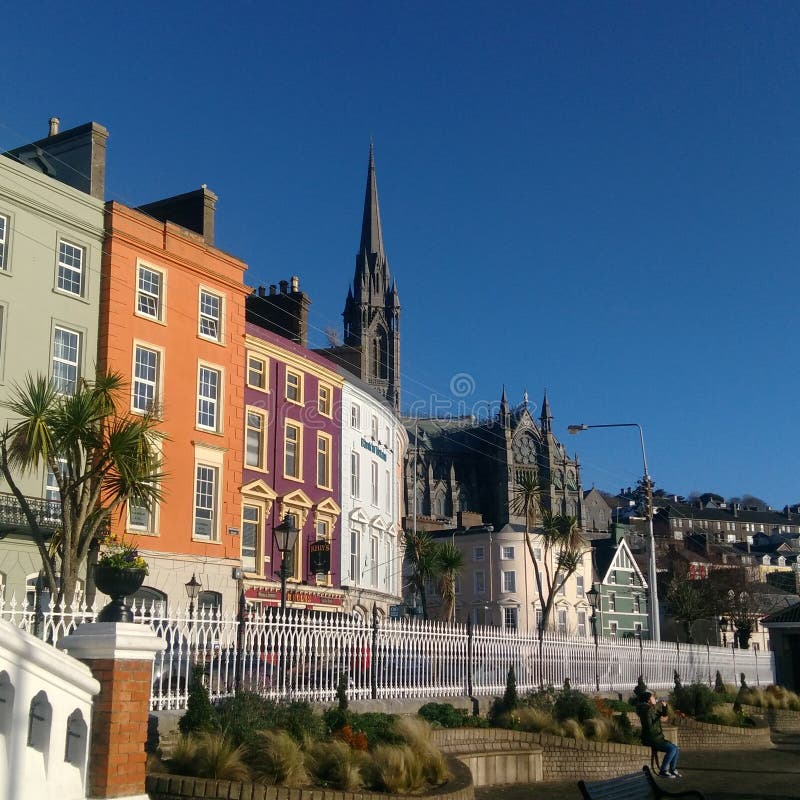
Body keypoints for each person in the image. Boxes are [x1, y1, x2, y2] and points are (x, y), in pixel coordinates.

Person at [636, 691, 681, 778]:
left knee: (676, 748)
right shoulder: (648, 710)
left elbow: (663, 715)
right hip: (652, 738)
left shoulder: (650, 708)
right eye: (653, 697)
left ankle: (672, 769)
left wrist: (664, 707)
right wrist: (658, 720)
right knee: (672, 749)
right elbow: (649, 726)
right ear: (649, 700)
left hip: (657, 737)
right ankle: (663, 770)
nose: (655, 699)